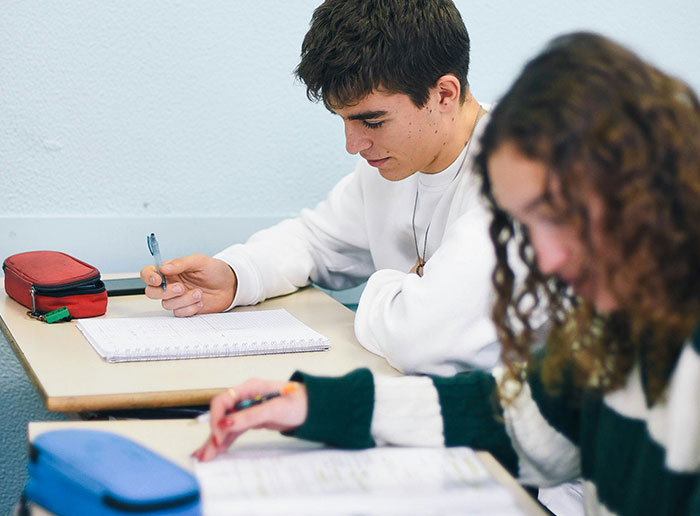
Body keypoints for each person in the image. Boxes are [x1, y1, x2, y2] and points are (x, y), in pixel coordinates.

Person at [192, 32, 700, 515]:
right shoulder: (608, 333)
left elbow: (422, 337)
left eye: (557, 216)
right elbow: (522, 421)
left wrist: (386, 284)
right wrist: (314, 404)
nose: (543, 261)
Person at [140, 0, 501, 376]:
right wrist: (236, 276)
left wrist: (383, 291)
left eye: (373, 121)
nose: (353, 145)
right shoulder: (393, 165)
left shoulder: (525, 176)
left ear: (444, 94)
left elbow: (420, 341)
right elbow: (315, 242)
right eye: (343, 120)